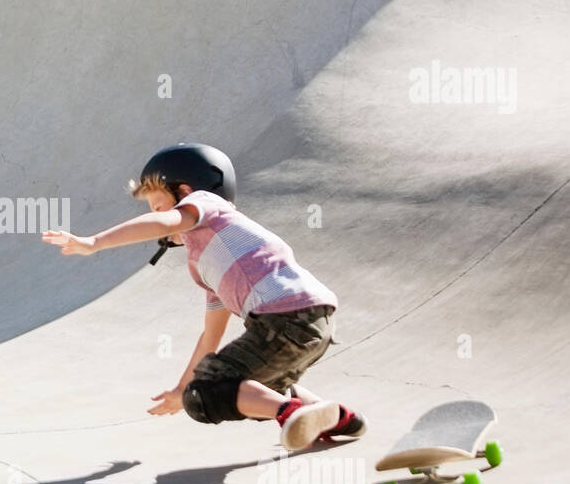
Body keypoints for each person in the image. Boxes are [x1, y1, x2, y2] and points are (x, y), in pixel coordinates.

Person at [42, 142, 364, 450]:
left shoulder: (207, 205)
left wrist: (94, 242)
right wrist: (181, 390)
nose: (163, 223)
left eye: (158, 204)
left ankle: (290, 413)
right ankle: (335, 418)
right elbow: (210, 337)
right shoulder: (207, 263)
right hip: (315, 319)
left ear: (184, 192)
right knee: (253, 389)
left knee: (206, 394)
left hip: (283, 317)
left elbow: (166, 221)